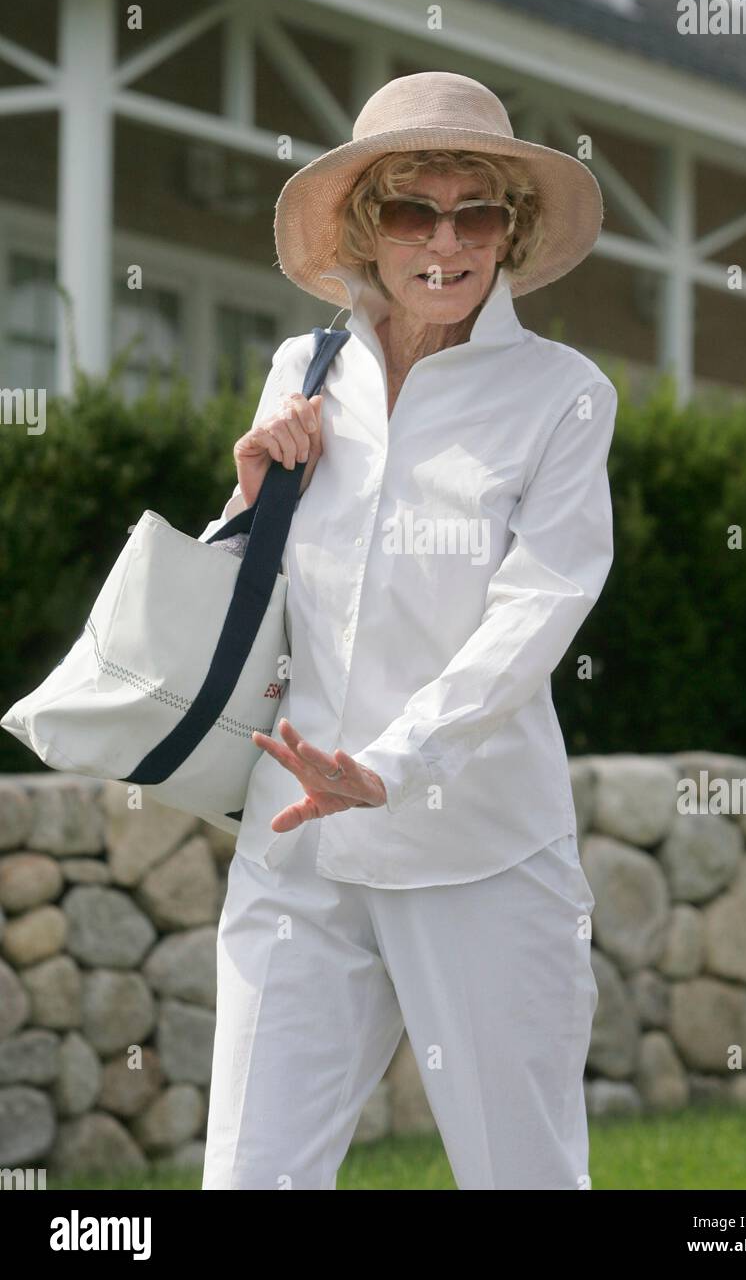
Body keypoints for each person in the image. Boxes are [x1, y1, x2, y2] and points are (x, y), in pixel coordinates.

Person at [199, 71, 617, 1190]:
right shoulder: (304, 369)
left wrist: (388, 764)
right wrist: (247, 497)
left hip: (479, 850)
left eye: (474, 211)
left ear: (509, 231)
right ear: (364, 231)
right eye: (409, 210)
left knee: (520, 1176)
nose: (444, 240)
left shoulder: (562, 395)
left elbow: (535, 610)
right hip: (298, 845)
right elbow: (243, 599)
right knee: (249, 1177)